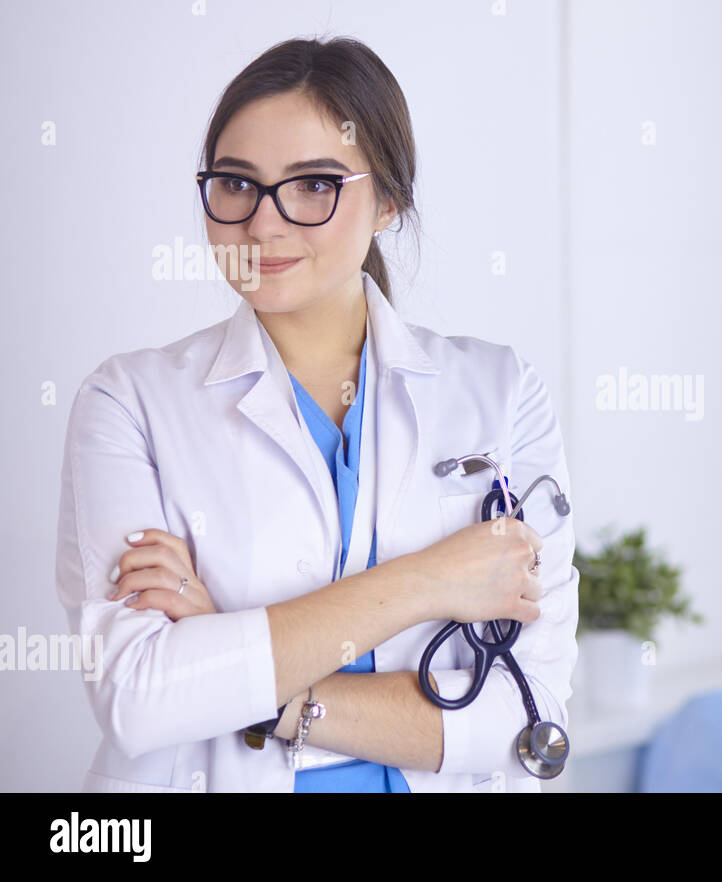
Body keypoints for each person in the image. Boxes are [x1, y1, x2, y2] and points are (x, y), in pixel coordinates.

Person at [54, 36, 578, 792]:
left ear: (388, 200)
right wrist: (431, 581)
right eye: (237, 184)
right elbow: (139, 699)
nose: (262, 226)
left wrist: (248, 679)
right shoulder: (127, 403)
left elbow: (526, 722)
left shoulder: (500, 391)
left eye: (313, 186)